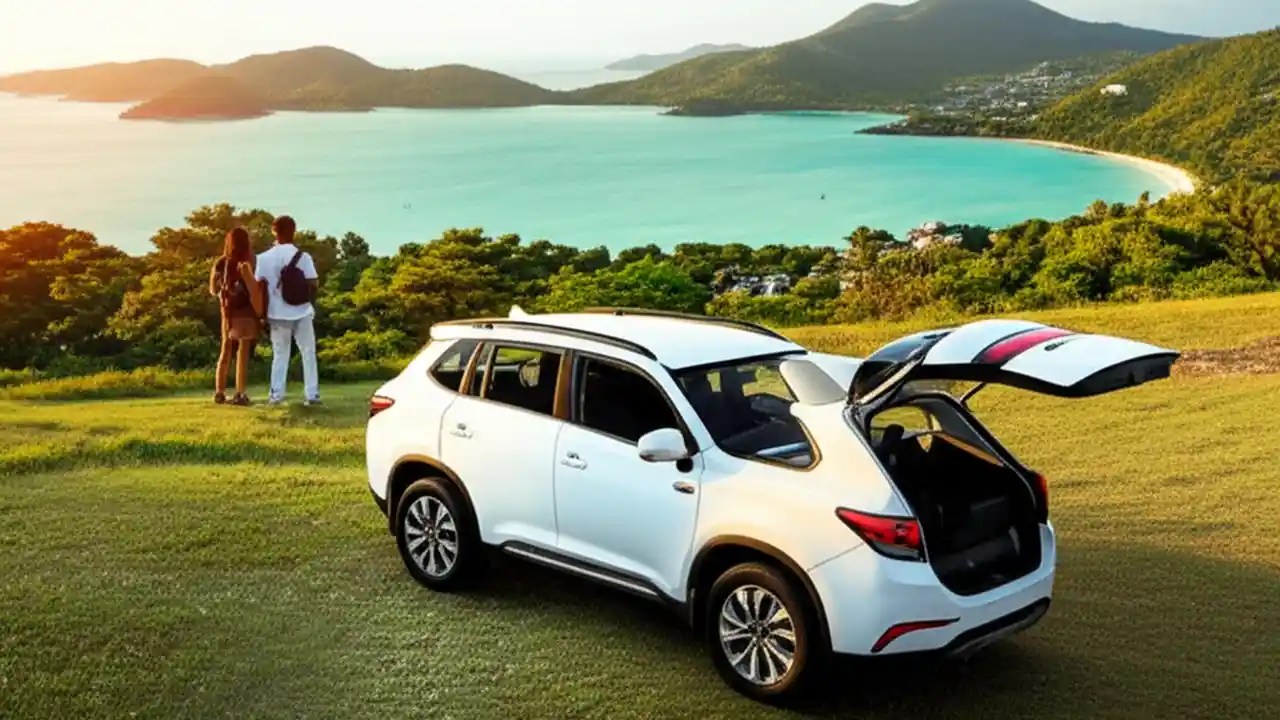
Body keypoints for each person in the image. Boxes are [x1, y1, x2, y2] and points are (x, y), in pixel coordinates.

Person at [255, 215, 321, 406]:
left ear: (273, 232)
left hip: (276, 312)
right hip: (302, 310)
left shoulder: (263, 258)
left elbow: (259, 287)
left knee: (280, 354)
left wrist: (261, 314)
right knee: (308, 352)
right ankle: (312, 395)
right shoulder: (304, 256)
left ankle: (276, 396)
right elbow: (314, 282)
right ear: (294, 230)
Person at [209, 227, 263, 405]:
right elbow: (254, 290)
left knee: (225, 350)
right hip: (245, 312)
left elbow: (213, 289)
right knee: (242, 352)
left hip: (227, 312)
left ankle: (219, 391)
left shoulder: (221, 262)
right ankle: (240, 392)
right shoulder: (246, 263)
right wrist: (259, 312)